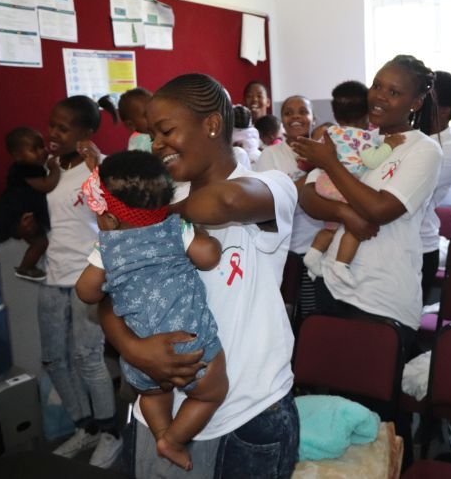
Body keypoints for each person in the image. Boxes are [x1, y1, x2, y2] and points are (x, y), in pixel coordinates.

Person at [98, 73, 298, 478]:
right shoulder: (160, 198)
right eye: (152, 135)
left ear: (212, 124)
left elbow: (224, 201)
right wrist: (133, 350)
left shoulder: (270, 185)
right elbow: (107, 296)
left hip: (247, 412)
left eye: (166, 130)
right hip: (161, 408)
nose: (156, 145)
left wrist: (147, 221)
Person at [75, 151, 226, 471]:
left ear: (111, 219)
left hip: (140, 351)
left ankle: (160, 432)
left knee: (153, 394)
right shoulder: (175, 229)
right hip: (191, 345)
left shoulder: (108, 245)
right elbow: (209, 257)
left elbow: (85, 292)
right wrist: (201, 234)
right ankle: (173, 439)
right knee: (211, 393)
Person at [294, 54, 442, 353]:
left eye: (394, 92)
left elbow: (380, 210)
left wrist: (329, 163)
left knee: (370, 397)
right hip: (331, 284)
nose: (380, 97)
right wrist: (344, 213)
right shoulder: (356, 138)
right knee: (326, 392)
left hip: (380, 297)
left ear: (415, 103)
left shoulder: (423, 149)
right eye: (377, 86)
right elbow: (308, 196)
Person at [41, 95, 121, 468]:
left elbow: (113, 217)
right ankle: (84, 426)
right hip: (52, 274)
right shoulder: (51, 166)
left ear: (85, 133)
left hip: (86, 275)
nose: (53, 133)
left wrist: (98, 167)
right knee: (55, 359)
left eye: (63, 127)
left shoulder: (96, 169)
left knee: (87, 357)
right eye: (52, 124)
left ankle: (110, 432)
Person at [302, 81, 406, 286]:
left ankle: (313, 254)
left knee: (331, 229)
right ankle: (341, 264)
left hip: (324, 184)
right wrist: (389, 146)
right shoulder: (364, 137)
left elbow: (316, 159)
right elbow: (371, 161)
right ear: (366, 113)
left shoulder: (329, 133)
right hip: (343, 189)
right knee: (355, 227)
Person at [255, 95, 323, 318]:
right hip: (288, 253)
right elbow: (272, 203)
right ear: (282, 121)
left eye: (303, 111)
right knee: (289, 318)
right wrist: (315, 172)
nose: (296, 116)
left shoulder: (328, 152)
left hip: (324, 251)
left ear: (314, 119)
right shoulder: (270, 155)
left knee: (316, 318)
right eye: (288, 112)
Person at [419, 70, 451, 302]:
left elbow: (412, 194)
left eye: (424, 96)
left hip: (418, 247)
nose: (416, 101)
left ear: (444, 110)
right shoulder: (408, 136)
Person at [0, 127, 59, 281]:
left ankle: (27, 266)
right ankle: (25, 267)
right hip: (18, 212)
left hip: (23, 210)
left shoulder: (28, 166)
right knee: (41, 242)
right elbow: (47, 185)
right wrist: (55, 169)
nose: (41, 152)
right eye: (33, 149)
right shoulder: (25, 169)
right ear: (17, 156)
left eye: (42, 146)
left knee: (40, 242)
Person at [118, 88, 153, 152]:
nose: (154, 117)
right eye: (146, 115)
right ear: (131, 125)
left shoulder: (134, 138)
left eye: (156, 111)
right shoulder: (143, 140)